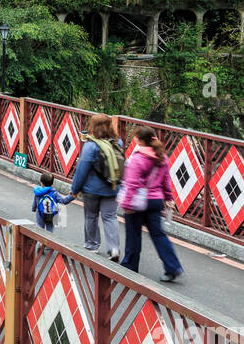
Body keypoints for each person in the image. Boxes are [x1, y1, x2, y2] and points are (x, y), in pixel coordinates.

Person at [117, 126, 183, 281]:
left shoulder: (138, 159)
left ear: (140, 140)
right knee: (158, 234)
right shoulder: (162, 157)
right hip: (155, 202)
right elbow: (166, 180)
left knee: (133, 234)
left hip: (138, 203)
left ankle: (130, 266)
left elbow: (132, 184)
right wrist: (168, 198)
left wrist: (127, 205)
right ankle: (172, 267)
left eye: (136, 137)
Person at [68, 114, 125, 259]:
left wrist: (74, 189)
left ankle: (92, 245)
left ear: (93, 126)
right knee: (110, 217)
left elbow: (82, 170)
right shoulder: (118, 142)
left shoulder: (91, 145)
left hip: (91, 190)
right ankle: (114, 249)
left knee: (91, 216)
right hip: (112, 187)